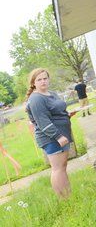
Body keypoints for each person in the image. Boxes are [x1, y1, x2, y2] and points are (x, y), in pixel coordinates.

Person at [25, 68, 75, 197]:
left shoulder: (52, 93)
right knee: (57, 168)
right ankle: (63, 198)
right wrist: (58, 136)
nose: (43, 81)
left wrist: (67, 115)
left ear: (49, 79)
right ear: (33, 83)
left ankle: (68, 195)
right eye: (39, 79)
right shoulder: (36, 99)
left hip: (62, 134)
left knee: (63, 166)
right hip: (51, 137)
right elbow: (42, 121)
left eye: (45, 78)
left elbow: (56, 112)